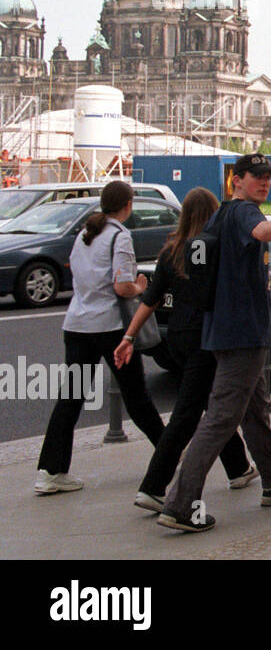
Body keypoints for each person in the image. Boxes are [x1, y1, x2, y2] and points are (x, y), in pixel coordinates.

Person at [158, 152, 271, 532]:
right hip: (243, 332)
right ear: (236, 180)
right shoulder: (245, 213)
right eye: (256, 176)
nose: (264, 182)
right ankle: (179, 504)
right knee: (221, 418)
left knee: (253, 411)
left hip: (222, 330)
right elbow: (263, 232)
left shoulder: (220, 215)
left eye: (268, 176)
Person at [113, 187, 257, 514]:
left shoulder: (172, 252)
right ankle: (153, 486)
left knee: (211, 403)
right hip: (205, 339)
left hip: (178, 338)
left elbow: (150, 300)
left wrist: (129, 337)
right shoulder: (214, 249)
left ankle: (239, 467)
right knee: (187, 414)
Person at [35, 181, 166, 494]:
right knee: (136, 396)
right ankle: (168, 451)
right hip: (110, 327)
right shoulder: (120, 237)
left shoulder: (85, 234)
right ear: (128, 205)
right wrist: (140, 287)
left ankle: (50, 471)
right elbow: (122, 287)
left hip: (77, 324)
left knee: (71, 397)